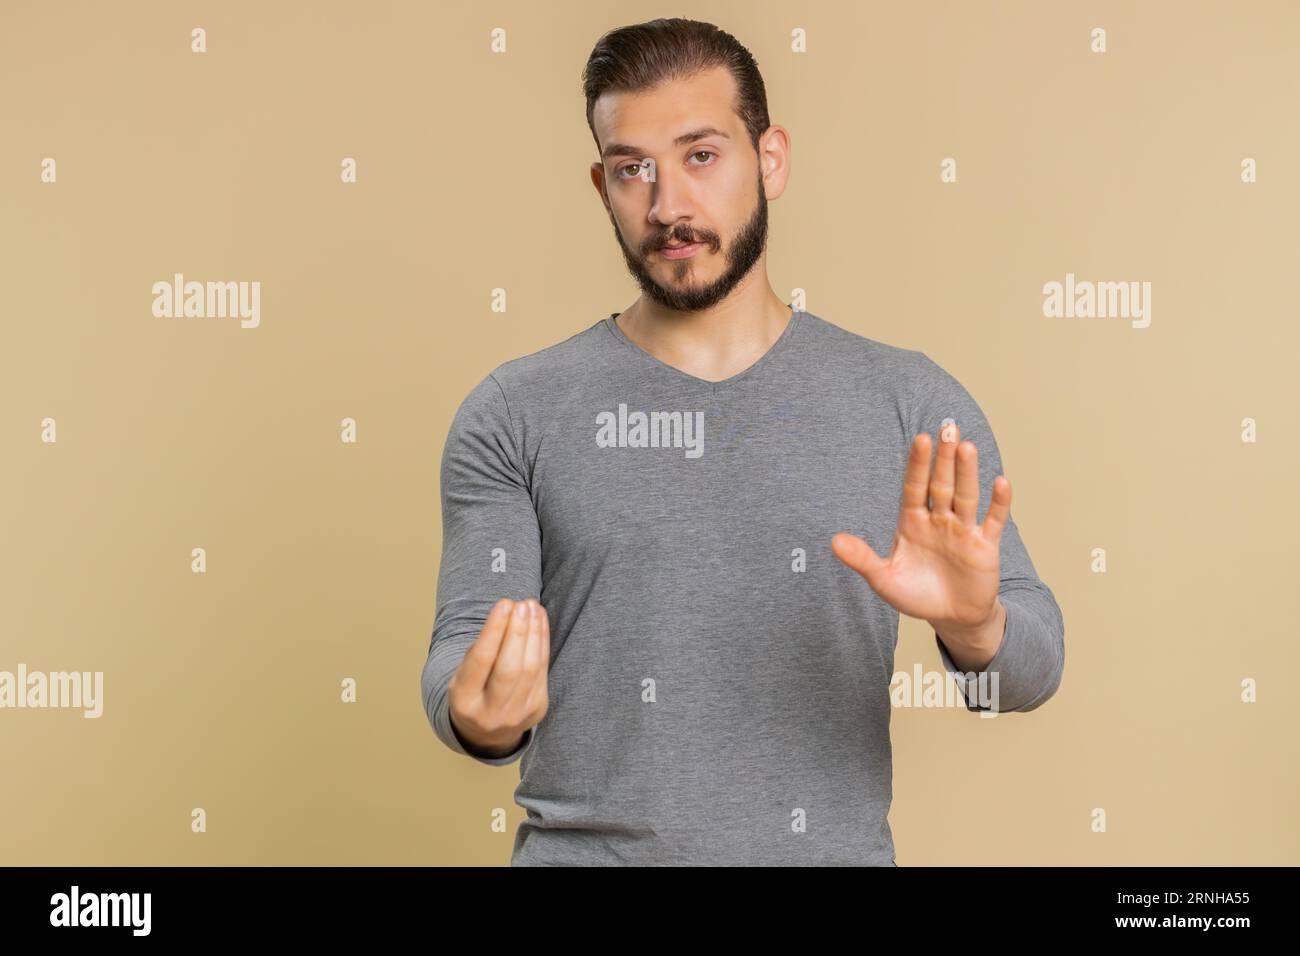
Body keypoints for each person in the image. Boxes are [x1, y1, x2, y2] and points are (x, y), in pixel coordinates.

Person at [421, 18, 1064, 865]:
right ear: (601, 184)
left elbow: (1030, 668)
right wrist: (479, 714)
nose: (667, 205)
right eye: (632, 169)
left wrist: (976, 628)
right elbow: (457, 660)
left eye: (701, 155)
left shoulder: (909, 403)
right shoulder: (513, 413)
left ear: (771, 160)